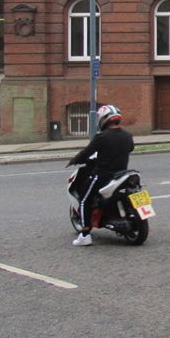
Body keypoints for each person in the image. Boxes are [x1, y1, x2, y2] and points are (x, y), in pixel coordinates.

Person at [68, 104, 134, 246]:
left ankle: (85, 235)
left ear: (103, 119)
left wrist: (74, 160)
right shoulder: (128, 136)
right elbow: (130, 149)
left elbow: (87, 153)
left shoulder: (102, 137)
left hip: (104, 175)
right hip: (122, 173)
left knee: (85, 200)